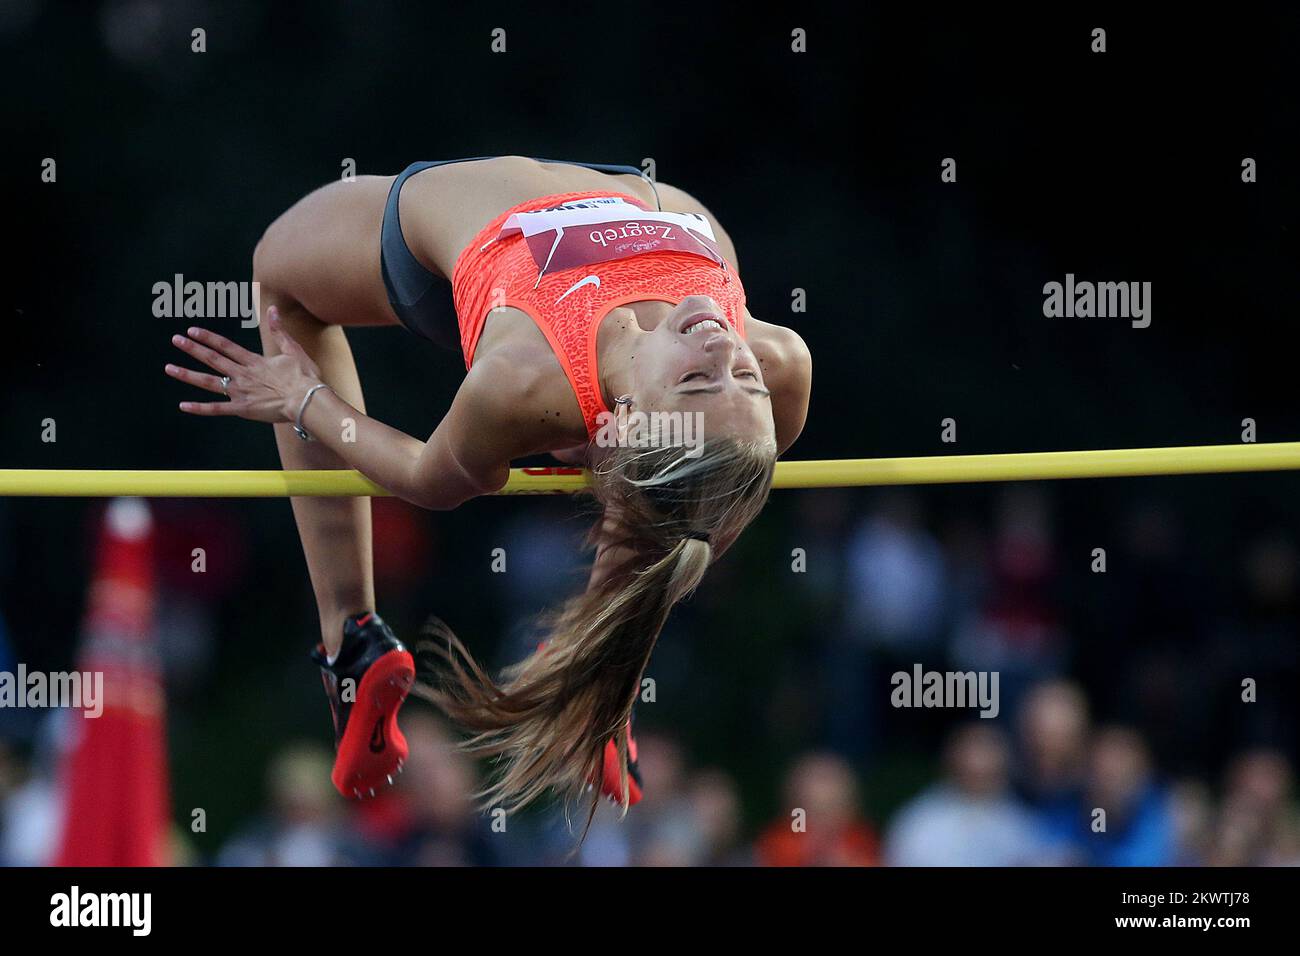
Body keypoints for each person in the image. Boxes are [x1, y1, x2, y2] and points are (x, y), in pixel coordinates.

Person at [165, 156, 812, 822]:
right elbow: (685, 494)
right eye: (743, 377)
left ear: (622, 420)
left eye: (701, 381)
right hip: (627, 210)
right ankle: (577, 681)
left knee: (280, 284)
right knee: (683, 479)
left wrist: (305, 400)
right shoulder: (781, 365)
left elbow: (426, 478)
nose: (719, 346)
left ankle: (350, 631)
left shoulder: (522, 380)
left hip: (508, 259)